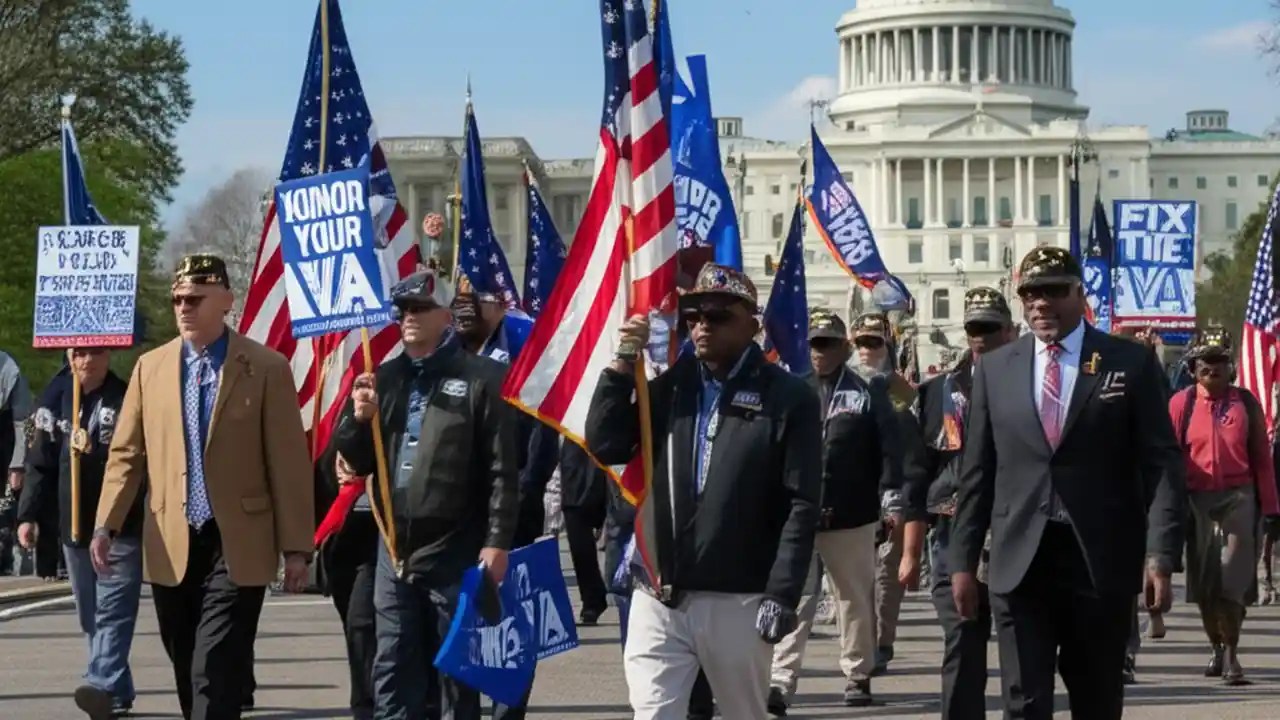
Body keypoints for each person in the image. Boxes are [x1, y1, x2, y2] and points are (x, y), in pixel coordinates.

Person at [950, 246, 1185, 720]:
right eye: (1030, 293)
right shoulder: (996, 369)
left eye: (1054, 291)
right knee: (1024, 702)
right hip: (1020, 562)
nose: (1041, 303)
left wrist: (1160, 556)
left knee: (1097, 700)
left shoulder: (1130, 363)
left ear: (1079, 294)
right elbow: (977, 471)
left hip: (1098, 562)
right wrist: (962, 561)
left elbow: (1160, 465)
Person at [586, 263, 821, 720]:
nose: (701, 326)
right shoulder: (672, 388)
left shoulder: (789, 398)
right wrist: (622, 360)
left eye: (717, 316)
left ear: (752, 324)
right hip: (660, 592)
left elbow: (801, 503)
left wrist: (782, 592)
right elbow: (606, 442)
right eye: (693, 316)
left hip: (739, 597)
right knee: (653, 714)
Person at [93, 254, 315, 720]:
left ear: (226, 301)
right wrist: (106, 525)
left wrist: (297, 548)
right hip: (171, 540)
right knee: (187, 661)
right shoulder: (150, 369)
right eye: (177, 299)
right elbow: (127, 456)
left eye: (195, 298)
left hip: (237, 540)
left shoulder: (266, 366)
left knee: (213, 665)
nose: (184, 308)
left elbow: (289, 464)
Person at [333, 268, 518, 720]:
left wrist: (497, 541)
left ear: (446, 315)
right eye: (403, 310)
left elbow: (502, 470)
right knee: (393, 669)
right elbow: (355, 461)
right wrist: (357, 420)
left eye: (420, 308)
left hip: (456, 546)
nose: (409, 317)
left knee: (457, 676)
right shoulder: (383, 377)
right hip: (394, 547)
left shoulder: (485, 377)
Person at [766, 310, 903, 714]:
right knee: (796, 596)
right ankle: (781, 679)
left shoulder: (869, 391)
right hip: (799, 513)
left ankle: (858, 673)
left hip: (852, 514)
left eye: (828, 343)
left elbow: (889, 449)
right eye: (814, 343)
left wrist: (890, 499)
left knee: (853, 598)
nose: (820, 351)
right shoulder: (794, 390)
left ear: (844, 348)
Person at [899, 287, 1016, 719]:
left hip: (1011, 528)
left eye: (989, 328)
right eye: (973, 329)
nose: (981, 337)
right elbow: (917, 475)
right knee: (962, 641)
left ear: (1010, 330)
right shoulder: (936, 394)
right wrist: (910, 551)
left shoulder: (1030, 386)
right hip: (951, 531)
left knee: (1019, 645)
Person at [450, 284, 557, 720]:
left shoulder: (523, 356)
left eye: (478, 296)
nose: (467, 305)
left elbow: (543, 434)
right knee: (462, 628)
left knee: (514, 624)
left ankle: (509, 711)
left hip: (517, 514)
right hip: (457, 519)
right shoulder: (443, 360)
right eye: (459, 297)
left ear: (501, 304)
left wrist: (522, 495)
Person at [16, 348, 140, 719]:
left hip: (120, 525)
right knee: (90, 615)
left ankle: (100, 681)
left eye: (96, 352)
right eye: (79, 353)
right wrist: (29, 516)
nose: (87, 361)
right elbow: (40, 463)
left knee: (113, 612)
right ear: (68, 355)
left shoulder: (126, 397)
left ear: (110, 354)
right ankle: (116, 690)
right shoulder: (54, 399)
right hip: (75, 527)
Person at [1168, 326, 1280, 685]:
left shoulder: (1245, 403)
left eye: (1219, 362)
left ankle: (1232, 652)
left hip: (1239, 496)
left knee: (1233, 573)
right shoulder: (1180, 404)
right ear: (1193, 368)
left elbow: (1262, 458)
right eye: (1205, 362)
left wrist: (1271, 507)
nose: (1212, 369)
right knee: (1205, 581)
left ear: (1230, 366)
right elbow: (1169, 459)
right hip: (1197, 499)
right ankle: (1215, 645)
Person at [848, 312, 915, 676]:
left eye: (873, 343)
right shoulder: (844, 386)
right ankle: (861, 646)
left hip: (893, 492)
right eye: (860, 343)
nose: (866, 350)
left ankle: (881, 643)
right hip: (852, 494)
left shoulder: (901, 391)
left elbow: (910, 445)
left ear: (886, 347)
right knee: (854, 580)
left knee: (886, 576)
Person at [557, 440, 609, 625]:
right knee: (580, 544)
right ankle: (592, 600)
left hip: (612, 462)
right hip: (575, 469)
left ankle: (627, 593)